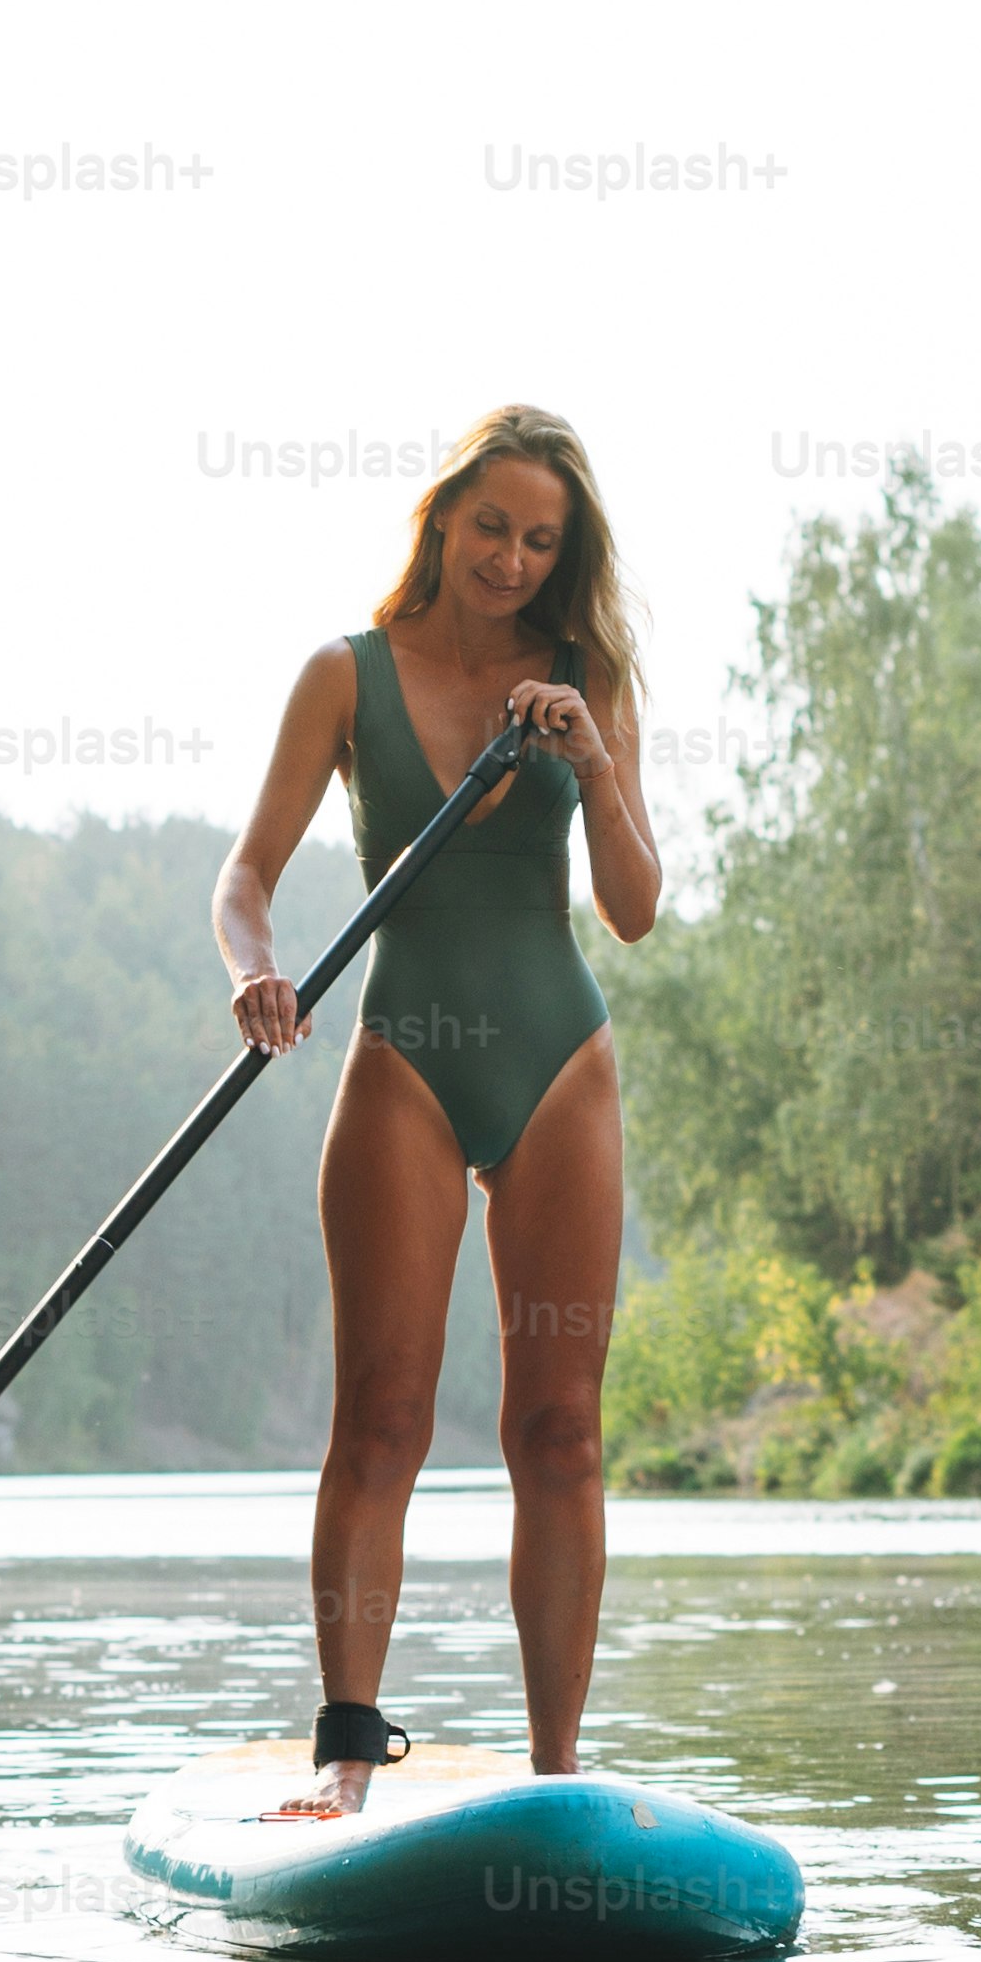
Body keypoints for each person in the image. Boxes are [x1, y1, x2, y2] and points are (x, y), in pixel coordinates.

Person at [210, 406, 664, 1818]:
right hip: (403, 1056)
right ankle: (346, 1756)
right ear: (442, 517)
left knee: (560, 1433)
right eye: (493, 528)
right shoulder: (344, 676)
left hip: (557, 1063)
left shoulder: (586, 679)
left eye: (542, 540)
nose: (514, 559)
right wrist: (256, 973)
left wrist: (590, 753)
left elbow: (636, 910)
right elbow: (243, 879)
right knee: (384, 1420)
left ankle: (557, 1780)